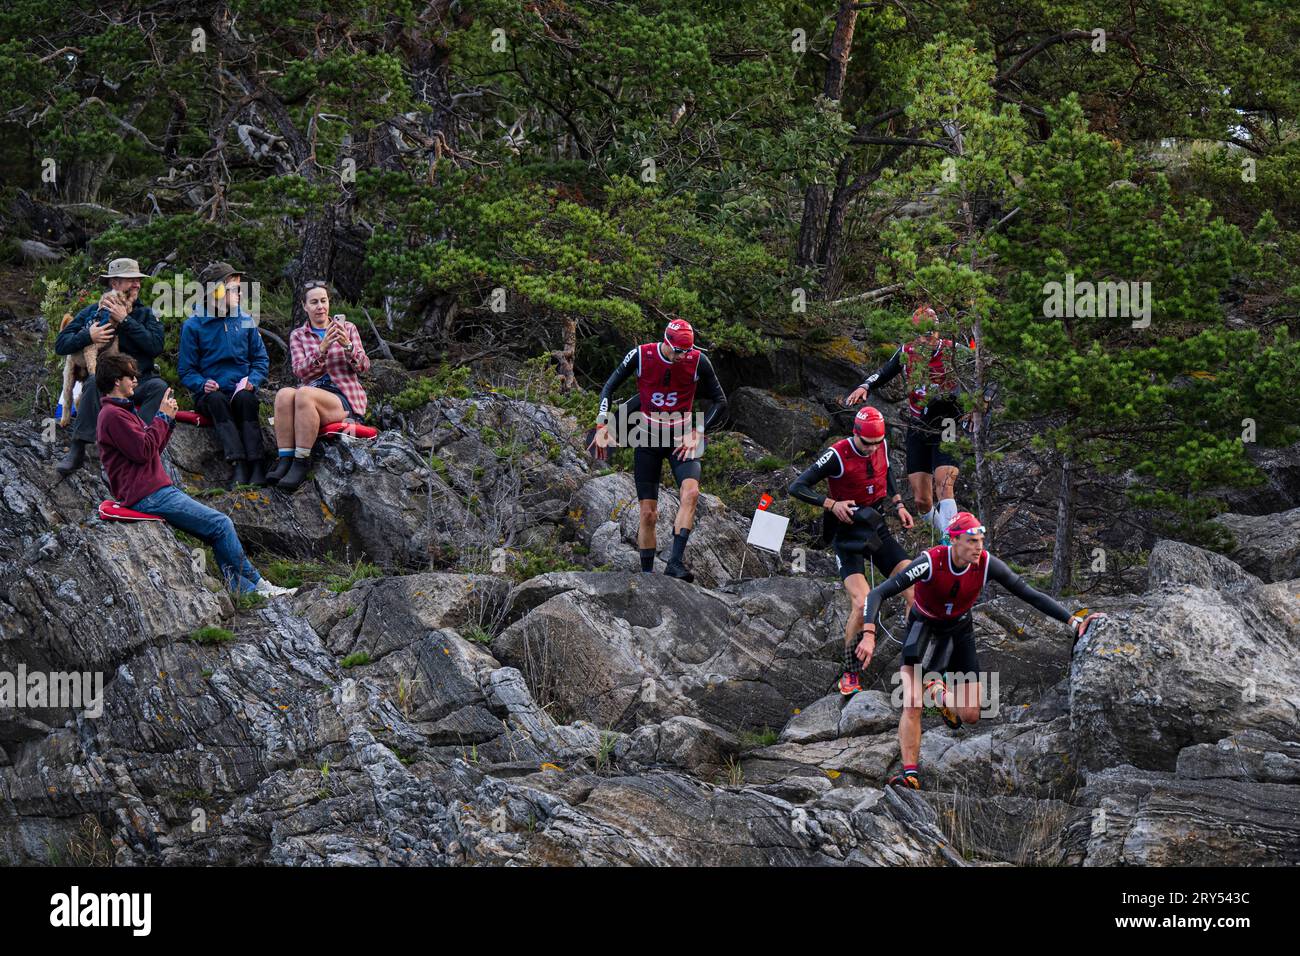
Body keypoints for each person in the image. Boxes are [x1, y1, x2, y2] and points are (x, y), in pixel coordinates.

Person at [856, 512, 1104, 791]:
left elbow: (1028, 593)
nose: (978, 547)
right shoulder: (929, 561)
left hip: (959, 631)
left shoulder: (986, 565)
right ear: (954, 541)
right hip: (924, 630)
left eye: (981, 541)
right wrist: (868, 634)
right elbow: (878, 594)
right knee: (912, 703)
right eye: (972, 541)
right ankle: (910, 774)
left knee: (971, 715)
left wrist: (1074, 621)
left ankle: (935, 687)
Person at [94, 353, 293, 598]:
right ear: (116, 381)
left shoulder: (121, 411)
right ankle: (259, 585)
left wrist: (168, 420)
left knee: (215, 530)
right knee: (221, 525)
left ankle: (245, 590)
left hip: (153, 491)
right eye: (130, 376)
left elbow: (152, 448)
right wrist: (162, 417)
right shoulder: (113, 416)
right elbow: (144, 451)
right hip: (148, 494)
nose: (136, 380)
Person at [788, 405, 915, 696]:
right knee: (862, 603)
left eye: (876, 443)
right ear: (855, 433)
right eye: (866, 443)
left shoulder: (880, 443)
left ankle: (913, 663)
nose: (871, 449)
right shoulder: (838, 454)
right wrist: (831, 504)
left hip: (876, 525)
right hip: (846, 533)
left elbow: (888, 470)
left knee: (915, 589)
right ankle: (849, 672)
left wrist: (899, 504)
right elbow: (797, 486)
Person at [590, 318, 728, 581]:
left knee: (691, 493)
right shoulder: (642, 355)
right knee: (648, 513)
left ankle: (674, 564)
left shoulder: (698, 361)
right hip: (648, 436)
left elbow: (720, 402)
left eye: (686, 352)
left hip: (683, 435)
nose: (681, 357)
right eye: (677, 352)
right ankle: (647, 575)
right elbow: (609, 387)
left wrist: (699, 432)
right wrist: (602, 424)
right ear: (666, 342)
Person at [844, 304, 970, 542]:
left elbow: (983, 372)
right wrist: (865, 385)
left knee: (944, 485)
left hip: (946, 424)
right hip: (917, 425)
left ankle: (948, 541)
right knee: (923, 501)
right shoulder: (907, 351)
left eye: (932, 331)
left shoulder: (953, 350)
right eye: (923, 333)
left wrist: (977, 404)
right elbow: (883, 372)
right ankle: (943, 531)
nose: (929, 338)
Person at [54, 258, 167, 476]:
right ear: (114, 283)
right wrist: (88, 335)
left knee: (160, 387)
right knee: (92, 382)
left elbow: (155, 346)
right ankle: (77, 450)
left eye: (138, 280)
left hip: (140, 380)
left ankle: (136, 441)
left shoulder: (146, 313)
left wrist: (125, 321)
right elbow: (61, 344)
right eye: (130, 280)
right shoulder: (92, 312)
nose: (137, 285)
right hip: (108, 382)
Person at [270, 281, 372, 492]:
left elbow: (364, 367)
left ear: (329, 303)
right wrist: (322, 349)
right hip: (311, 395)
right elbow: (300, 371)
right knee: (283, 395)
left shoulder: (348, 328)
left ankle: (301, 462)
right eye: (314, 302)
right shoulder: (299, 335)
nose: (320, 307)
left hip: (342, 397)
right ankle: (285, 459)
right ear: (305, 306)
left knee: (304, 393)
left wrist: (348, 346)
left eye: (323, 301)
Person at [177, 262, 271, 487]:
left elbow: (260, 360)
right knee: (218, 401)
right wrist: (202, 384)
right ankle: (237, 464)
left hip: (240, 389)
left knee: (246, 400)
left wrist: (253, 380)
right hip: (212, 393)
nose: (240, 293)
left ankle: (256, 464)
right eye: (234, 289)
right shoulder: (194, 325)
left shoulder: (246, 320)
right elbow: (186, 370)